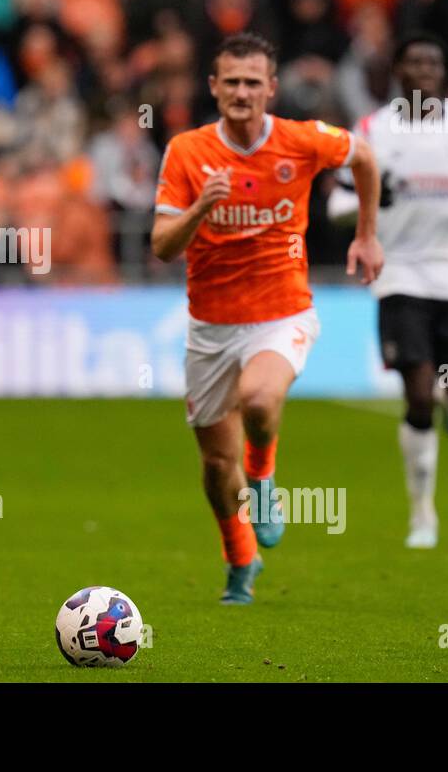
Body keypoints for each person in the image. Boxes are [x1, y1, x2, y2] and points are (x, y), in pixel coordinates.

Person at [151, 32, 383, 604]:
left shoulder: (303, 142)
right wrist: (203, 206)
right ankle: (240, 558)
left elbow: (367, 156)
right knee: (213, 465)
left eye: (253, 82)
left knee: (259, 399)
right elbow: (161, 246)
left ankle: (264, 480)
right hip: (210, 325)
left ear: (271, 89)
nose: (241, 92)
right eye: (231, 81)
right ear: (214, 87)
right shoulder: (187, 152)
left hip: (283, 311)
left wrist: (368, 235)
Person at [328, 31, 448, 548]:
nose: (425, 71)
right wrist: (375, 202)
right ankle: (422, 514)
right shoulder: (372, 131)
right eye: (415, 62)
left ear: (442, 71)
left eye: (433, 62)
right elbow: (337, 206)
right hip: (399, 275)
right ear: (399, 72)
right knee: (417, 393)